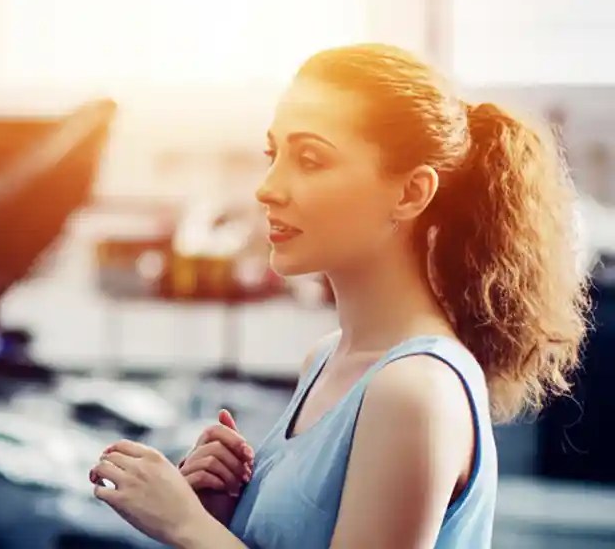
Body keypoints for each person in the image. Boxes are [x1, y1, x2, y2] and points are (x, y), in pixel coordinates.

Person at [89, 44, 590, 548]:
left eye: (310, 159)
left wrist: (184, 526)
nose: (268, 188)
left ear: (412, 193)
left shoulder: (414, 392)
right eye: (274, 155)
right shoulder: (326, 358)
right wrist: (223, 515)